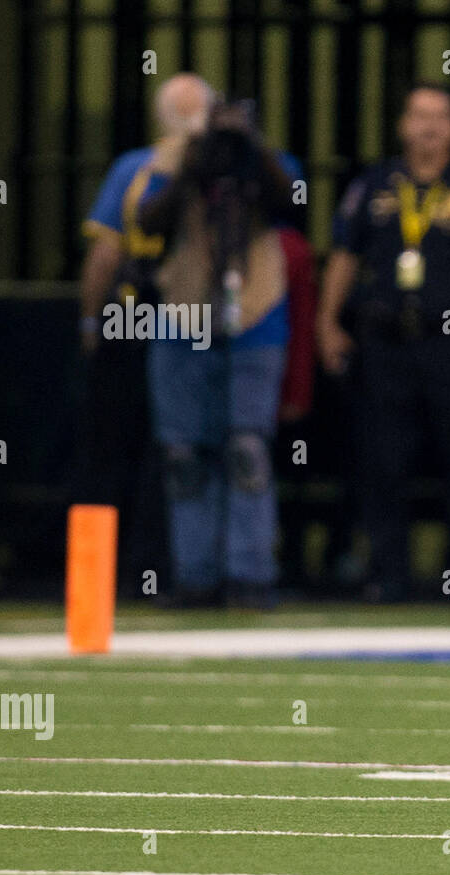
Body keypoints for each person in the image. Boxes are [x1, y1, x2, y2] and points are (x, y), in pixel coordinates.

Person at [318, 84, 450, 603]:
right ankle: (388, 577)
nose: (429, 127)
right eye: (419, 116)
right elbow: (343, 254)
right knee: (383, 464)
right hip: (384, 343)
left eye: (440, 117)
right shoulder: (374, 185)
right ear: (403, 124)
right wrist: (325, 321)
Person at [138, 100, 298, 610]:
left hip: (255, 314)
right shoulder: (170, 161)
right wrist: (190, 169)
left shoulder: (270, 161)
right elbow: (147, 223)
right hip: (184, 317)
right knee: (185, 455)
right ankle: (195, 577)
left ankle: (250, 577)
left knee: (246, 450)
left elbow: (292, 207)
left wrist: (254, 152)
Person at [76, 73, 214, 594]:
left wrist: (94, 319)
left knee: (171, 446)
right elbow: (106, 253)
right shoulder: (138, 168)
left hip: (178, 315)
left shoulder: (208, 170)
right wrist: (95, 319)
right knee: (128, 444)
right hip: (147, 314)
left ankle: (154, 569)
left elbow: (105, 256)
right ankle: (106, 573)